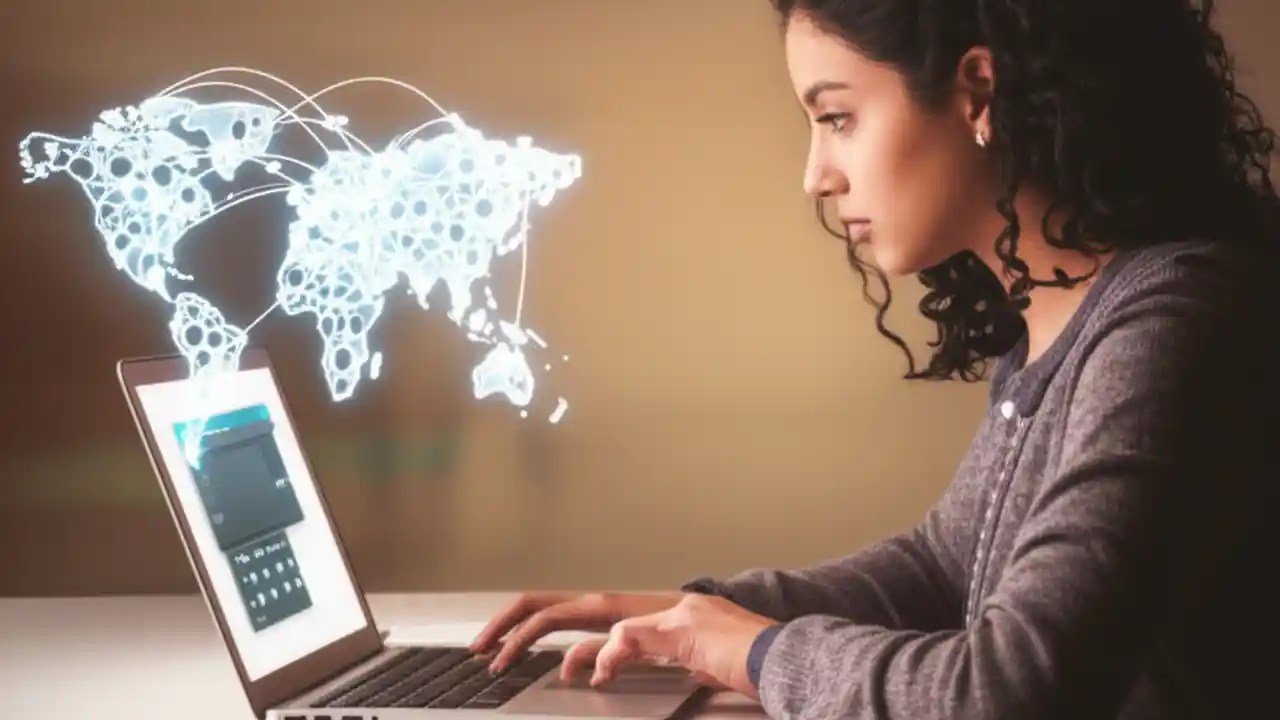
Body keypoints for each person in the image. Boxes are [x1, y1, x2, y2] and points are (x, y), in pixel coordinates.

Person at [470, 1, 1278, 717]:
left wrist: (753, 651)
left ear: (977, 92)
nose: (815, 176)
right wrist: (694, 615)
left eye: (838, 118)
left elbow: (1004, 691)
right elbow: (944, 570)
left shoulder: (1176, 318)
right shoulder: (1061, 319)